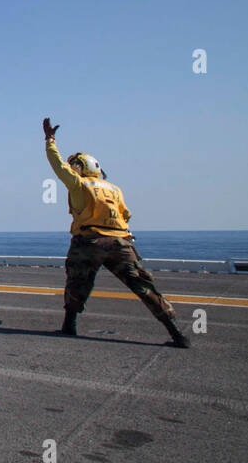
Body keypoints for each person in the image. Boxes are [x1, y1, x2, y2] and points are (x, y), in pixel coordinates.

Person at [43, 118, 189, 348]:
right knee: (143, 287)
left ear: (79, 168)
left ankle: (69, 325)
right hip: (121, 243)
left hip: (89, 242)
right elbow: (126, 215)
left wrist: (50, 140)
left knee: (77, 282)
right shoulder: (114, 189)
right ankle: (176, 333)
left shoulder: (78, 184)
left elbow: (57, 164)